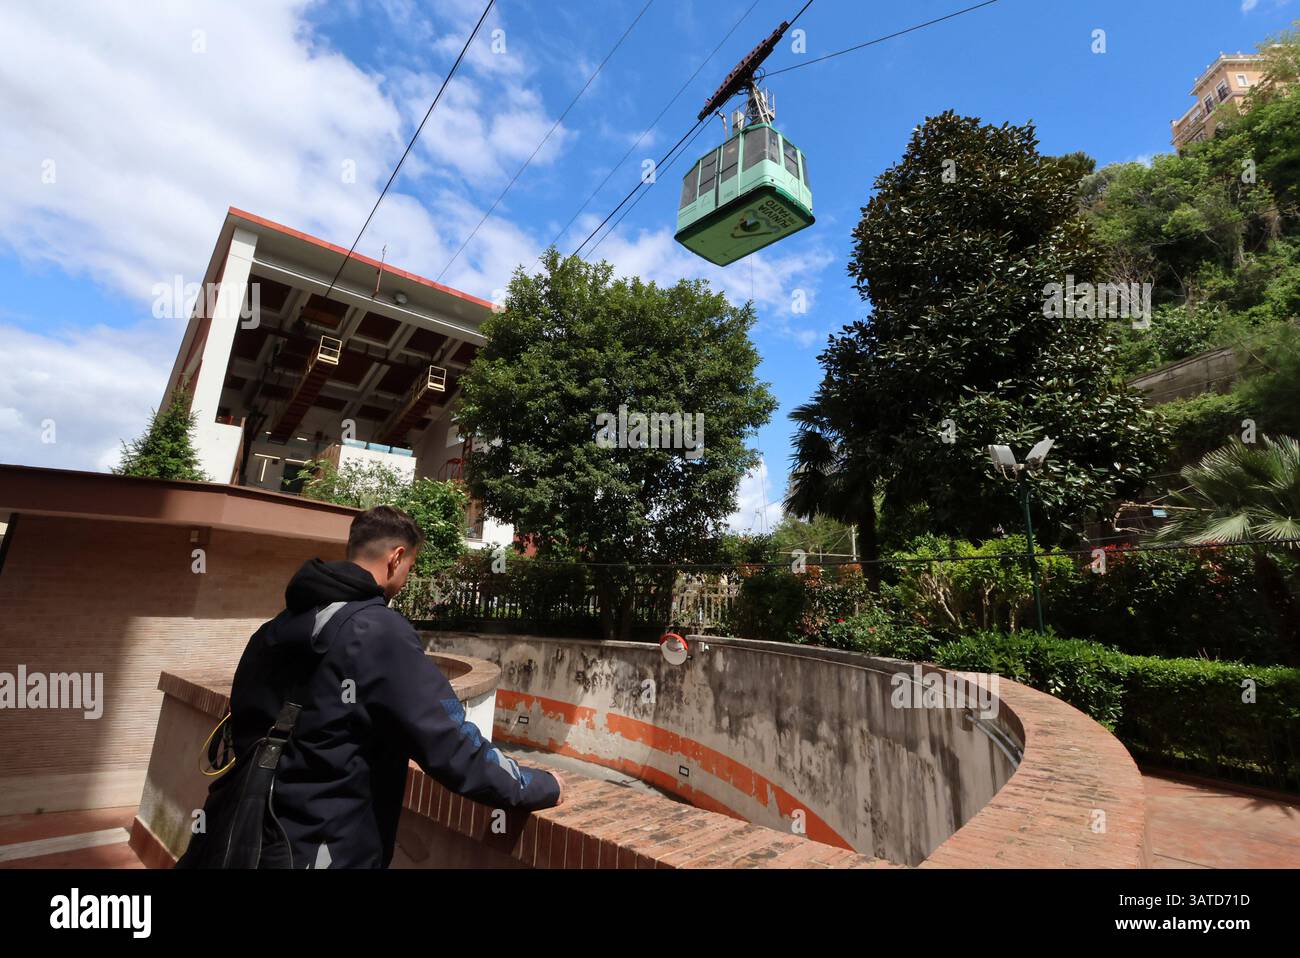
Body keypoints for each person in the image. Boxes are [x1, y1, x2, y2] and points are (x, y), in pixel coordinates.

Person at [177, 504, 563, 869]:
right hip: (326, 849)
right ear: (396, 559)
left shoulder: (273, 629)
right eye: (409, 566)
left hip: (243, 841)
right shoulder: (379, 632)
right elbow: (450, 744)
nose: (406, 577)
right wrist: (537, 785)